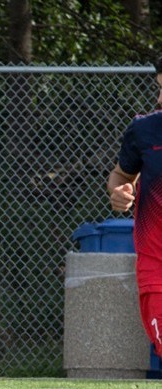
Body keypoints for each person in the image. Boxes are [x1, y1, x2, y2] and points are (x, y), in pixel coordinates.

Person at [107, 56, 162, 363]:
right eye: (159, 88)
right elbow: (121, 175)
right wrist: (118, 193)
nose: (160, 99)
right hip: (156, 266)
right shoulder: (144, 130)